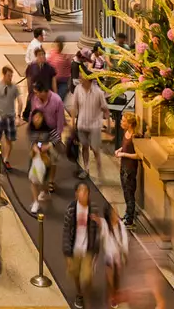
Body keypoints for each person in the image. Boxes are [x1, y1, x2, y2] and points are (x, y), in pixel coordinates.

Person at [63, 181, 99, 309]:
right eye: (81, 192)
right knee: (76, 274)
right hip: (75, 248)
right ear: (76, 194)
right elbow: (67, 231)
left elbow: (96, 232)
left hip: (87, 249)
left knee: (87, 277)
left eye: (86, 192)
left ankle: (88, 299)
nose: (83, 194)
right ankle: (79, 294)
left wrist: (95, 252)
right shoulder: (71, 210)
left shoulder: (93, 209)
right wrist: (67, 253)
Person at [67, 72, 109, 178]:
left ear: (89, 79)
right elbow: (74, 106)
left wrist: (107, 124)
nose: (80, 78)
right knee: (84, 147)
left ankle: (100, 172)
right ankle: (86, 169)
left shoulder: (98, 92)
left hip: (95, 125)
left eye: (82, 77)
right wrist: (72, 123)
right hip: (82, 124)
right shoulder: (78, 89)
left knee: (95, 149)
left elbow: (105, 108)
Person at [0, 66, 20, 163]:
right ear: (3, 75)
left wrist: (18, 116)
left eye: (11, 76)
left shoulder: (15, 87)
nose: (10, 78)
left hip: (10, 118)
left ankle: (6, 160)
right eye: (8, 76)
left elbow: (20, 102)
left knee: (9, 141)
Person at [116, 113, 142, 225]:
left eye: (123, 121)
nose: (121, 123)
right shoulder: (126, 133)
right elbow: (126, 147)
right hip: (124, 167)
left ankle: (130, 218)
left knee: (129, 193)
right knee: (125, 192)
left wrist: (123, 154)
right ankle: (127, 214)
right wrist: (120, 150)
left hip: (130, 169)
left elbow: (138, 155)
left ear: (130, 124)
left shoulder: (134, 136)